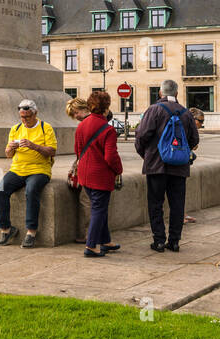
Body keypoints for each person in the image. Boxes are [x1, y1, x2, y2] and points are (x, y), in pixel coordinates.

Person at [135, 79, 199, 252]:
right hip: (179, 166)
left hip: (156, 166)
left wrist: (147, 155)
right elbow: (194, 140)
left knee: (155, 203)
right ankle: (175, 241)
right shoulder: (186, 113)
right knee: (177, 204)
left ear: (160, 93)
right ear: (177, 93)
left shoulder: (154, 110)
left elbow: (141, 136)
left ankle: (159, 240)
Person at [0, 99, 57, 248]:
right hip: (17, 169)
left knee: (31, 190)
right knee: (0, 189)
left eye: (28, 117)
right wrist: (11, 148)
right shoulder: (16, 128)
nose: (25, 120)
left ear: (35, 114)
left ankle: (31, 231)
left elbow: (52, 151)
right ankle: (6, 229)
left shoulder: (45, 128)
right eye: (22, 117)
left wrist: (34, 146)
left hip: (39, 169)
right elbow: (8, 155)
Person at [76, 91, 124, 257]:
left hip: (84, 174)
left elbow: (77, 150)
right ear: (106, 108)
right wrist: (119, 170)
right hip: (100, 176)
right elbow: (110, 156)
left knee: (99, 208)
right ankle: (91, 246)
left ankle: (105, 241)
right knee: (98, 209)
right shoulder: (107, 129)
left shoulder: (82, 124)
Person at [65, 96, 93, 243]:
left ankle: (89, 235)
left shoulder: (82, 126)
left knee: (86, 202)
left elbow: (78, 150)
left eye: (76, 113)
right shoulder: (100, 121)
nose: (76, 117)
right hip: (101, 170)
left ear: (84, 109)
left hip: (88, 170)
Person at [184, 108, 207, 223]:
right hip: (179, 163)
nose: (202, 124)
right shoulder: (185, 128)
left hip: (182, 162)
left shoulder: (188, 128)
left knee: (180, 190)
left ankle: (182, 214)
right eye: (200, 121)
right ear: (193, 119)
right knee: (178, 190)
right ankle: (180, 216)